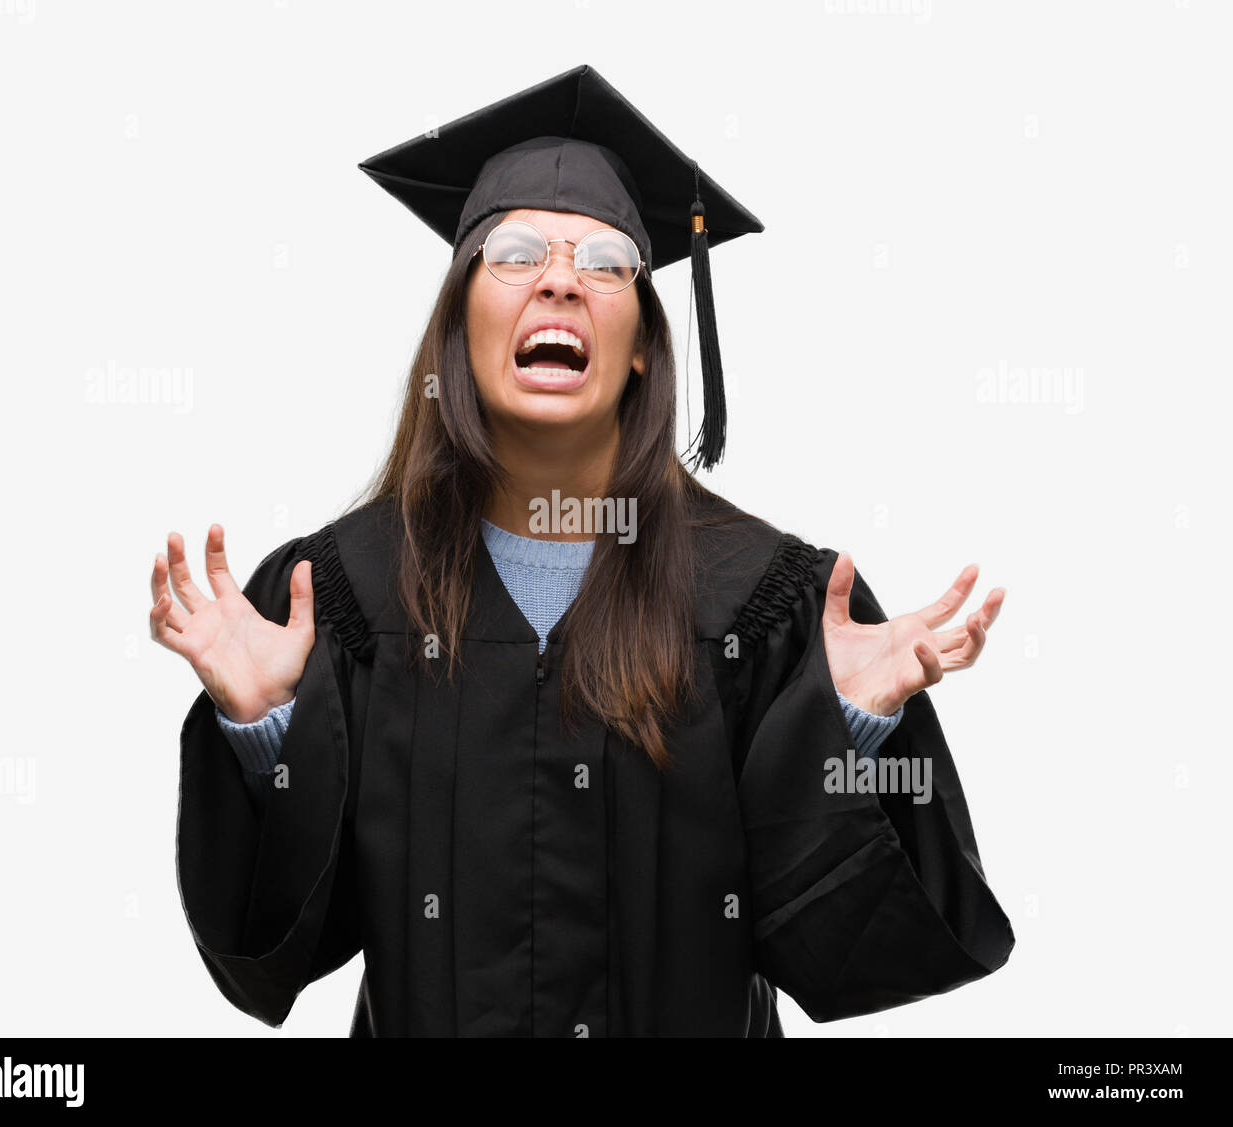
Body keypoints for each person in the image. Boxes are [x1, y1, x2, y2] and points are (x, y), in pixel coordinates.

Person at [150, 65, 1014, 1037]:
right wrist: (267, 730)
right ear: (458, 325)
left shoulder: (771, 602)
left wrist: (841, 725)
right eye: (513, 253)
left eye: (606, 263)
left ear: (642, 341)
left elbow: (818, 941)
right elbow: (289, 944)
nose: (561, 276)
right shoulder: (343, 593)